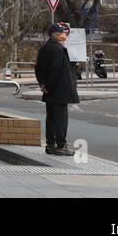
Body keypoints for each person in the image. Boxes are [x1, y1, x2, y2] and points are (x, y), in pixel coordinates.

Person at [35, 22, 79, 155]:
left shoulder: (45, 48)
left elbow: (39, 67)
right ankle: (61, 145)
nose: (64, 35)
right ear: (55, 35)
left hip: (50, 90)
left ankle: (50, 144)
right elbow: (55, 70)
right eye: (62, 33)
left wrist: (43, 84)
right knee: (60, 119)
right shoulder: (57, 49)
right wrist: (48, 86)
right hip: (59, 90)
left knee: (51, 118)